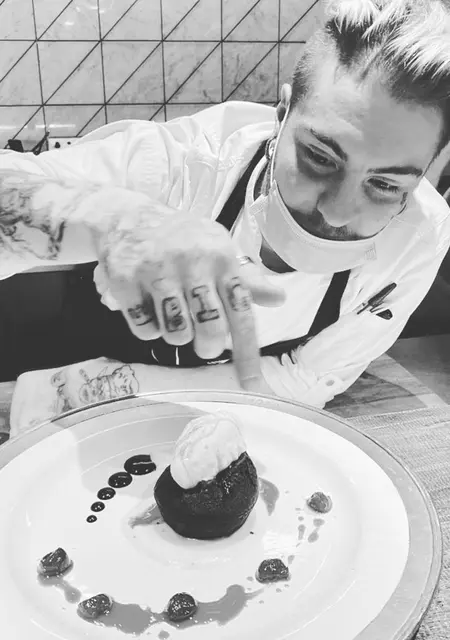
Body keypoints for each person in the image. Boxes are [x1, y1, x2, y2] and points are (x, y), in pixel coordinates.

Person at [2, 0, 450, 432]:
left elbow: (305, 378)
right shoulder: (184, 166)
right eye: (319, 158)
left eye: (386, 185)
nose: (336, 213)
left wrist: (108, 388)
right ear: (281, 118)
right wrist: (114, 221)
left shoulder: (417, 241)